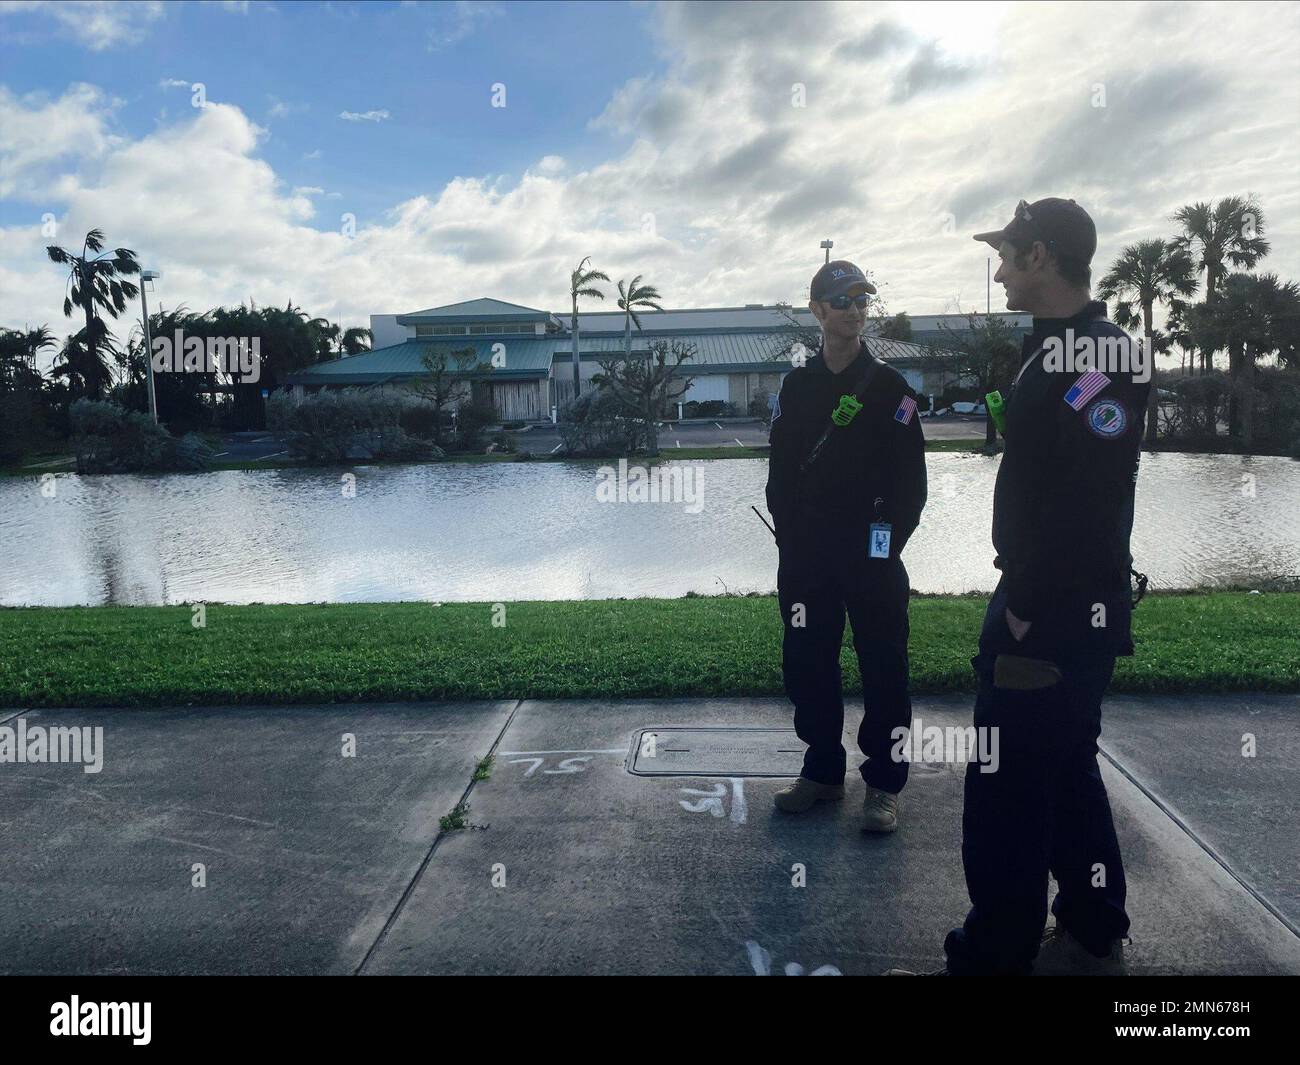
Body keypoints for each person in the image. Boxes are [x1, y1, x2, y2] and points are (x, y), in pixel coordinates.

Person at [933, 198, 1147, 975]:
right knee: (1065, 766)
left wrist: (1026, 607)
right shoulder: (1055, 347)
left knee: (1006, 787)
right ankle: (1093, 930)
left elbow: (1086, 503)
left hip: (1050, 610)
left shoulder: (1105, 357)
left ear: (1043, 257)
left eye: (1009, 253)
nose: (999, 268)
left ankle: (992, 957)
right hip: (1043, 599)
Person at [765, 260, 927, 832]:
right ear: (817, 310)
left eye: (862, 299)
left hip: (873, 557)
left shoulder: (890, 387)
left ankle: (883, 784)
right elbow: (781, 472)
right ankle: (823, 772)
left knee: (885, 667)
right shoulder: (796, 386)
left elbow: (912, 484)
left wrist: (886, 546)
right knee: (808, 663)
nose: (854, 309)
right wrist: (791, 540)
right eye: (841, 300)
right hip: (808, 557)